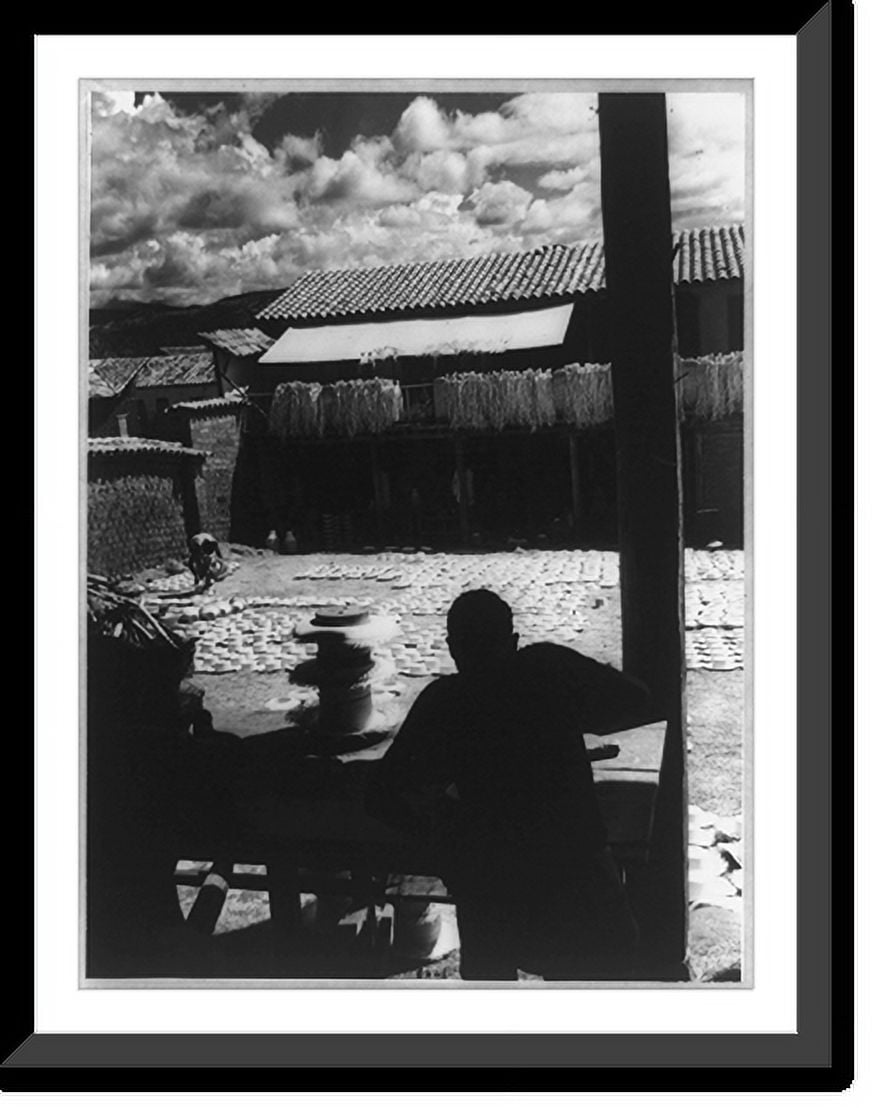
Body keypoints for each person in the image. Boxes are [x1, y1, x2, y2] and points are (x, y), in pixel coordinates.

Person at [366, 589, 651, 981]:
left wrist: (444, 841)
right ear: (513, 641)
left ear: (452, 648)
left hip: (493, 891)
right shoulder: (549, 668)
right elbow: (639, 700)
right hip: (576, 883)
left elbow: (382, 794)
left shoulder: (445, 703)